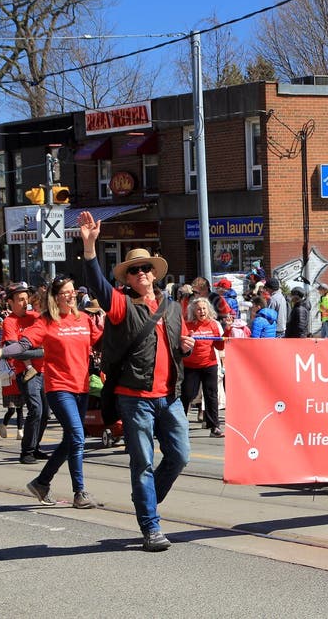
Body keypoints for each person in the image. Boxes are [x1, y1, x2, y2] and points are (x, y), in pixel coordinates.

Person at [79, 211, 196, 553]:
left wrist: (184, 346)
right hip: (136, 397)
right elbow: (98, 284)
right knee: (142, 462)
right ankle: (150, 526)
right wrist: (90, 248)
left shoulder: (172, 307)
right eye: (134, 270)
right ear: (127, 278)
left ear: (154, 274)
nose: (141, 273)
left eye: (146, 268)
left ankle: (145, 498)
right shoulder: (121, 305)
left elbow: (178, 344)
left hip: (169, 397)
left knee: (180, 456)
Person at [0, 276, 102, 508]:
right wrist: (2, 352)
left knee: (71, 439)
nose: (71, 295)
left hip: (83, 386)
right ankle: (80, 493)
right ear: (56, 297)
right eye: (65, 292)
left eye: (73, 291)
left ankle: (42, 482)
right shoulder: (46, 322)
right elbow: (24, 345)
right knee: (77, 436)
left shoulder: (84, 319)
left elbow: (101, 343)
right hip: (59, 387)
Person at [0, 283, 49, 464]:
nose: (24, 302)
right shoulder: (9, 322)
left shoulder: (35, 317)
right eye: (20, 299)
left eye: (26, 298)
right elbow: (15, 352)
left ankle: (35, 447)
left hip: (44, 370)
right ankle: (26, 451)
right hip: (25, 372)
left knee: (45, 413)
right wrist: (42, 352)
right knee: (35, 409)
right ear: (10, 302)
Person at [182, 296, 226, 436]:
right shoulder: (188, 325)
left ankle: (214, 426)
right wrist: (188, 337)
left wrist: (228, 331)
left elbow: (219, 346)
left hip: (209, 364)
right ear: (193, 312)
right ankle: (179, 423)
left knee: (211, 395)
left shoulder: (213, 324)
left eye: (204, 309)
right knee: (188, 394)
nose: (201, 312)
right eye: (198, 309)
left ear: (208, 310)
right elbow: (181, 345)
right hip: (191, 366)